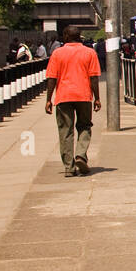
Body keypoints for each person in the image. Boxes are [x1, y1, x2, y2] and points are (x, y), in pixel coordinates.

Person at [45, 26, 101, 176]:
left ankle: (69, 168)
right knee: (85, 126)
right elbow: (94, 78)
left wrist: (49, 100)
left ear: (65, 36)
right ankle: (80, 155)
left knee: (65, 131)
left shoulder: (57, 54)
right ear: (79, 36)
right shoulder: (90, 53)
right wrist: (97, 98)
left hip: (63, 97)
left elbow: (52, 78)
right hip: (83, 96)